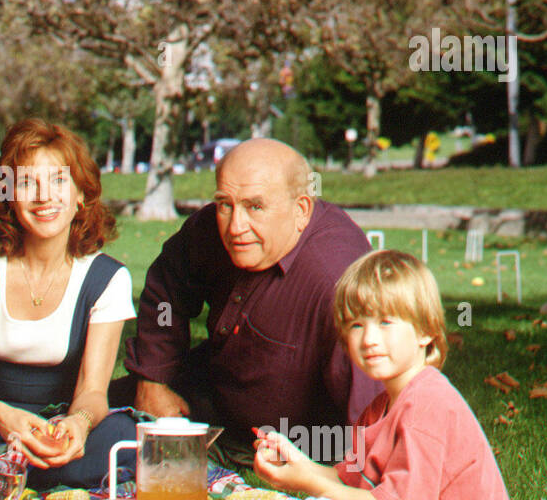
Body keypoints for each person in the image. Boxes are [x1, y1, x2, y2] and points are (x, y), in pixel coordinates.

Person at [250, 250, 516, 500]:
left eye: (386, 322)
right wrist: (295, 462)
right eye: (356, 325)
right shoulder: (380, 406)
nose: (369, 339)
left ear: (425, 332)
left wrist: (310, 484)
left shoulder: (428, 403)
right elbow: (346, 480)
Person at [118, 138, 382, 453]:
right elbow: (166, 290)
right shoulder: (211, 228)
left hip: (304, 441)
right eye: (225, 204)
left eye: (255, 206)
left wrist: (332, 470)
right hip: (210, 389)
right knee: (100, 417)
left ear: (301, 210)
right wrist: (154, 378)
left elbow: (376, 415)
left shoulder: (337, 282)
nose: (235, 226)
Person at [0, 119, 138, 490]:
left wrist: (78, 424)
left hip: (59, 428)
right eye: (26, 183)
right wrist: (4, 419)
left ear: (81, 194)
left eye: (58, 180)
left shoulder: (108, 279)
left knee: (122, 438)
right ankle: (11, 475)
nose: (44, 197)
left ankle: (10, 477)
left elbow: (92, 391)